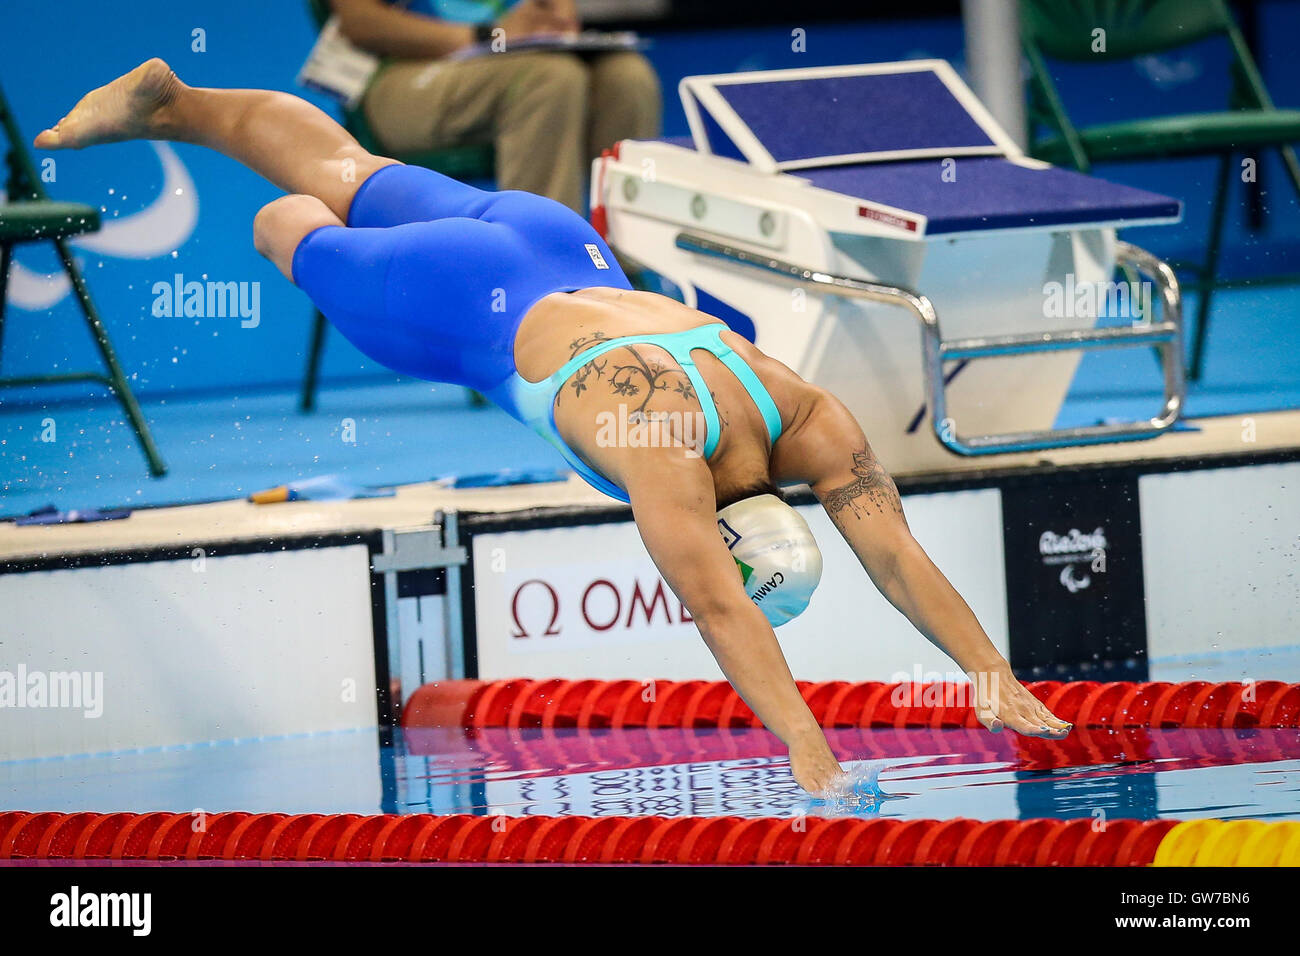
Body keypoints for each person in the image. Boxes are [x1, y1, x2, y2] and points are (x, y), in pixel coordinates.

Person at [36, 60, 1071, 794]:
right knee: (292, 231)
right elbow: (720, 608)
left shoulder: (800, 409)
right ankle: (251, 192)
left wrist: (993, 672)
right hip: (462, 307)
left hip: (556, 242)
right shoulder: (665, 461)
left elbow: (892, 554)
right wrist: (808, 745)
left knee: (346, 167)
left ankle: (176, 102)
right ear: (721, 523)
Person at [330, 0, 661, 211]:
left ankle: (622, 272)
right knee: (549, 78)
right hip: (401, 75)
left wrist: (554, 22)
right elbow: (359, 22)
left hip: (512, 60)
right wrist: (490, 35)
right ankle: (544, 272)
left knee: (627, 76)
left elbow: (559, 13)